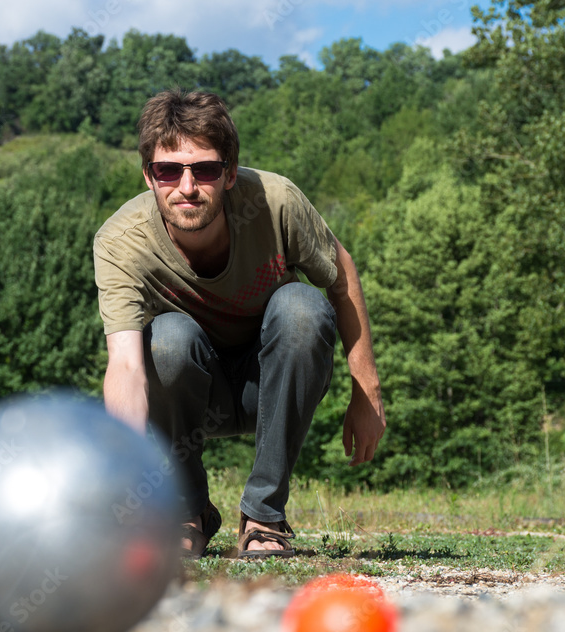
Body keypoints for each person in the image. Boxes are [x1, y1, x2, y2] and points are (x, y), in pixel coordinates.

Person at [93, 89, 386, 559]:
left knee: (301, 307)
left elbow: (341, 271)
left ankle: (264, 518)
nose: (186, 187)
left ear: (229, 173)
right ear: (149, 175)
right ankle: (187, 512)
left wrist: (366, 389)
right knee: (166, 339)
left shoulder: (274, 201)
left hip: (271, 385)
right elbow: (126, 366)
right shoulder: (120, 242)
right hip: (190, 395)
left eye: (204, 169)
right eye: (169, 170)